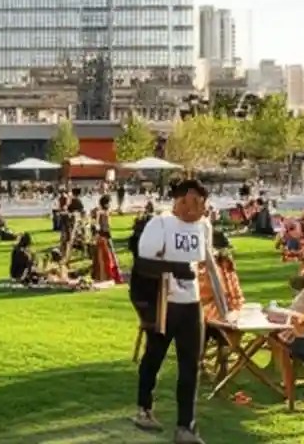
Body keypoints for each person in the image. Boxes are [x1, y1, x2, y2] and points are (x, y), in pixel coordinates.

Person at [130, 179, 212, 444]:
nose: (193, 208)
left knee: (191, 364)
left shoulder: (204, 226)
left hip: (192, 304)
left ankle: (185, 425)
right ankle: (144, 407)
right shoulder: (160, 224)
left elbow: (206, 261)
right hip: (164, 303)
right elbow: (143, 264)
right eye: (188, 201)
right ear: (177, 201)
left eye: (199, 202)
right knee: (155, 356)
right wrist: (174, 271)